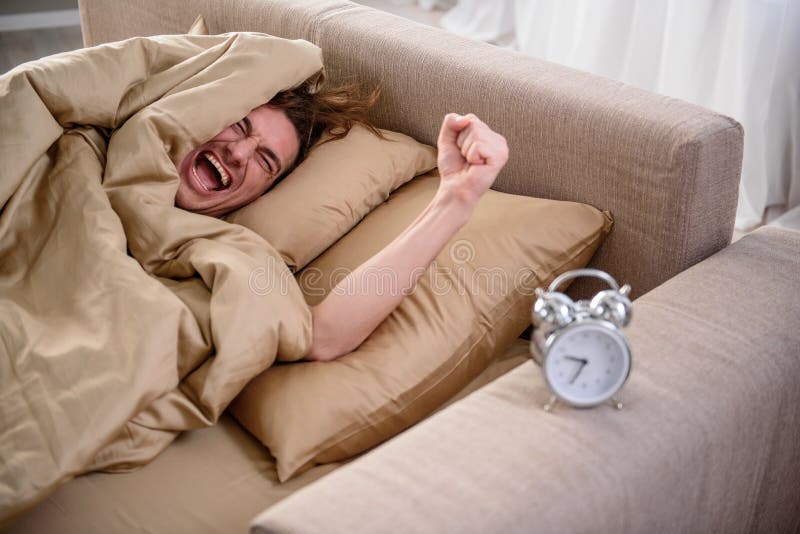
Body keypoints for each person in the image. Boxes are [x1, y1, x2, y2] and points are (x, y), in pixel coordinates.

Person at [175, 79, 509, 362]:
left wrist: (456, 199)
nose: (237, 153)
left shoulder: (232, 253)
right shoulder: (127, 139)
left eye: (266, 161)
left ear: (262, 194)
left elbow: (324, 335)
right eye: (239, 126)